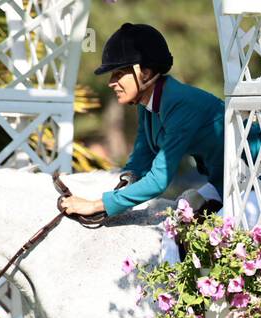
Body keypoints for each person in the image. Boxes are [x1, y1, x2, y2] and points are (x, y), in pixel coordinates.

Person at [58, 23, 226, 222]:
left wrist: (96, 205)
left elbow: (159, 180)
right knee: (183, 212)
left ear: (144, 74)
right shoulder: (148, 102)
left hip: (259, 182)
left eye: (118, 74)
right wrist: (126, 179)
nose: (111, 82)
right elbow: (142, 153)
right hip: (223, 183)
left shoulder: (180, 104)